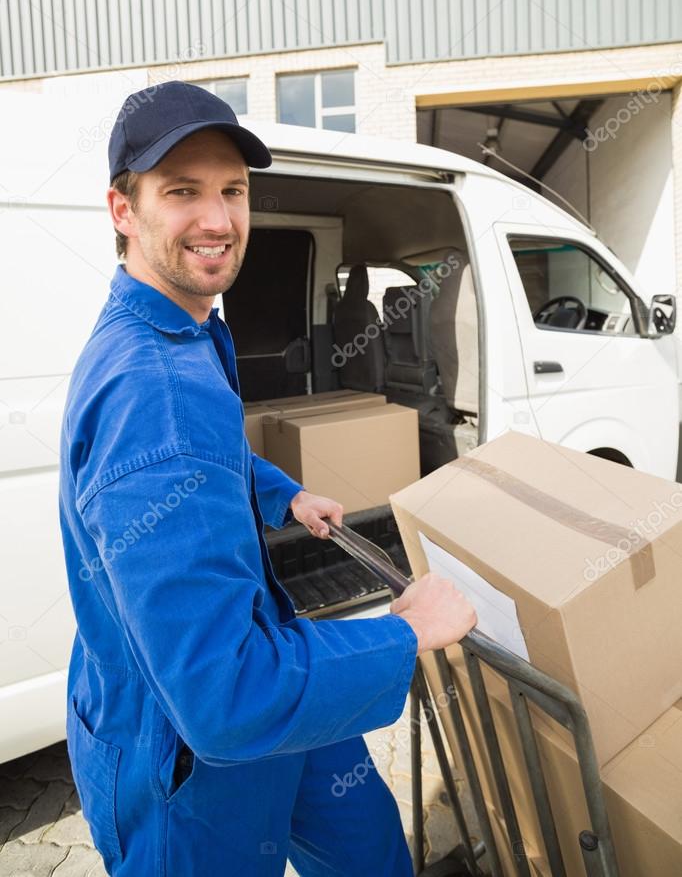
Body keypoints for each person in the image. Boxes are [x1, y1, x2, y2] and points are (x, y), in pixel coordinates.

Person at [58, 80, 477, 877]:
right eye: (182, 191)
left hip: (269, 658)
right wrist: (407, 631)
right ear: (123, 209)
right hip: (186, 754)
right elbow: (224, 698)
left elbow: (209, 456)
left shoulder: (182, 330)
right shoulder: (154, 393)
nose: (217, 219)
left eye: (234, 190)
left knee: (369, 847)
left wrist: (280, 491)